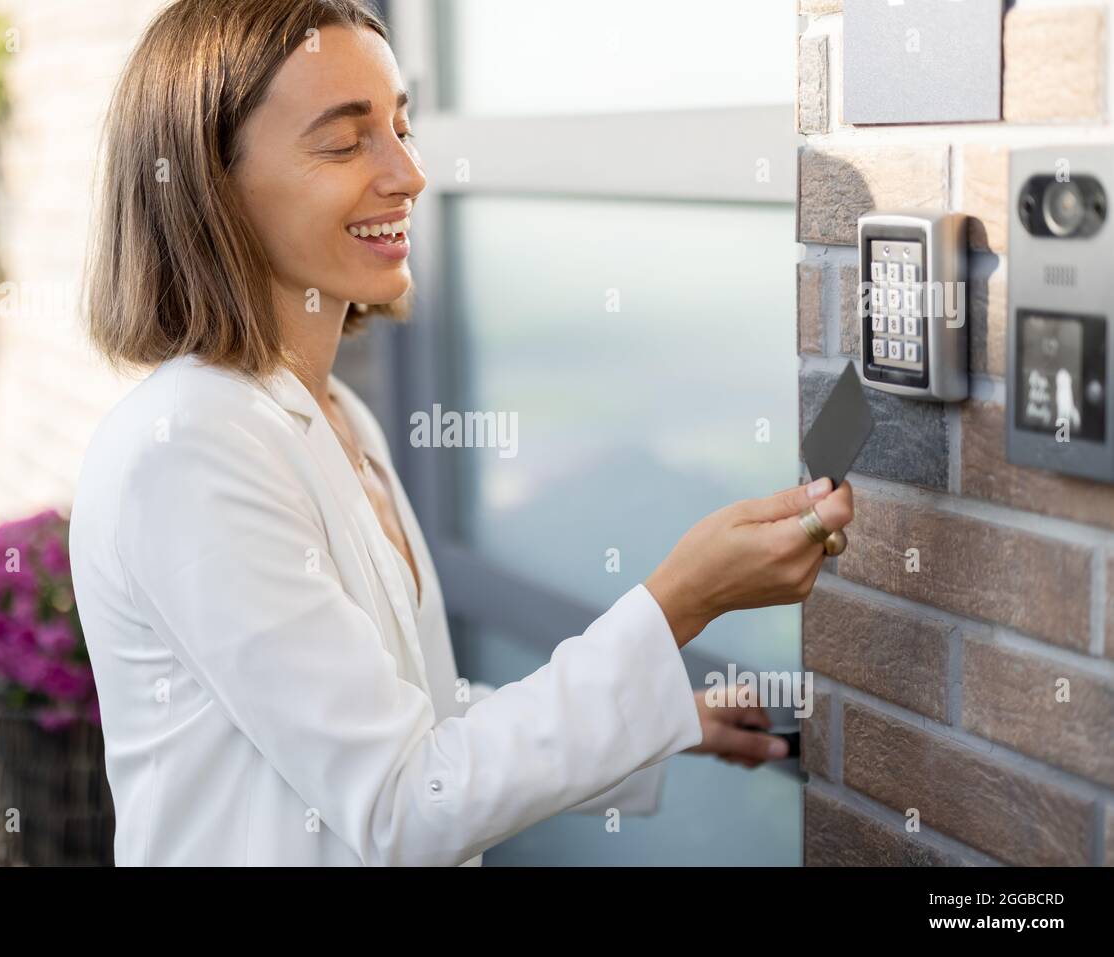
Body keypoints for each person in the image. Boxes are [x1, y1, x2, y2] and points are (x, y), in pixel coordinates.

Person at [68, 0, 854, 866]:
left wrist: (667, 716)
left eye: (401, 126)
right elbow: (407, 801)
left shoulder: (335, 419)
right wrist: (679, 604)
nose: (406, 171)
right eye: (345, 140)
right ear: (209, 189)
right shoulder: (188, 449)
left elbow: (415, 721)